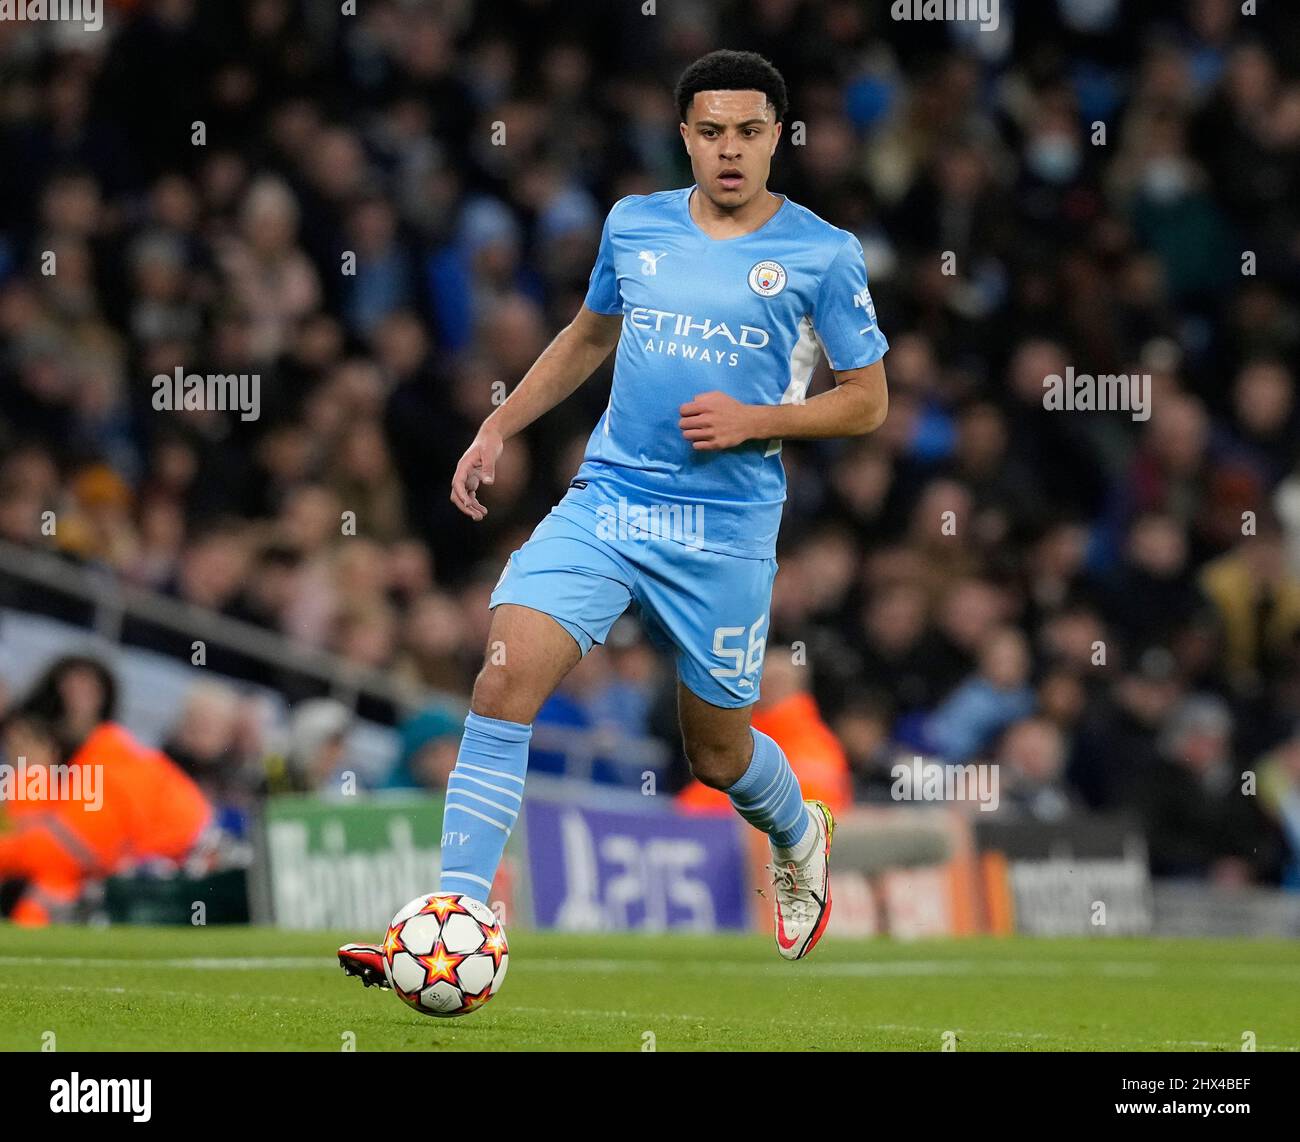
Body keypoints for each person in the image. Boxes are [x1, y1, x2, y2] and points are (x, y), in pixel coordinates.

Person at [339, 48, 889, 983]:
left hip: (724, 532)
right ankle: (451, 918)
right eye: (710, 131)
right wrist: (498, 426)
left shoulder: (823, 253)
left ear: (776, 140)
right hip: (610, 502)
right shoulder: (634, 225)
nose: (729, 150)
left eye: (748, 133)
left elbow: (869, 399)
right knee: (503, 678)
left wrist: (762, 420)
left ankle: (799, 831)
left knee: (716, 755)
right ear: (683, 136)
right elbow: (590, 334)